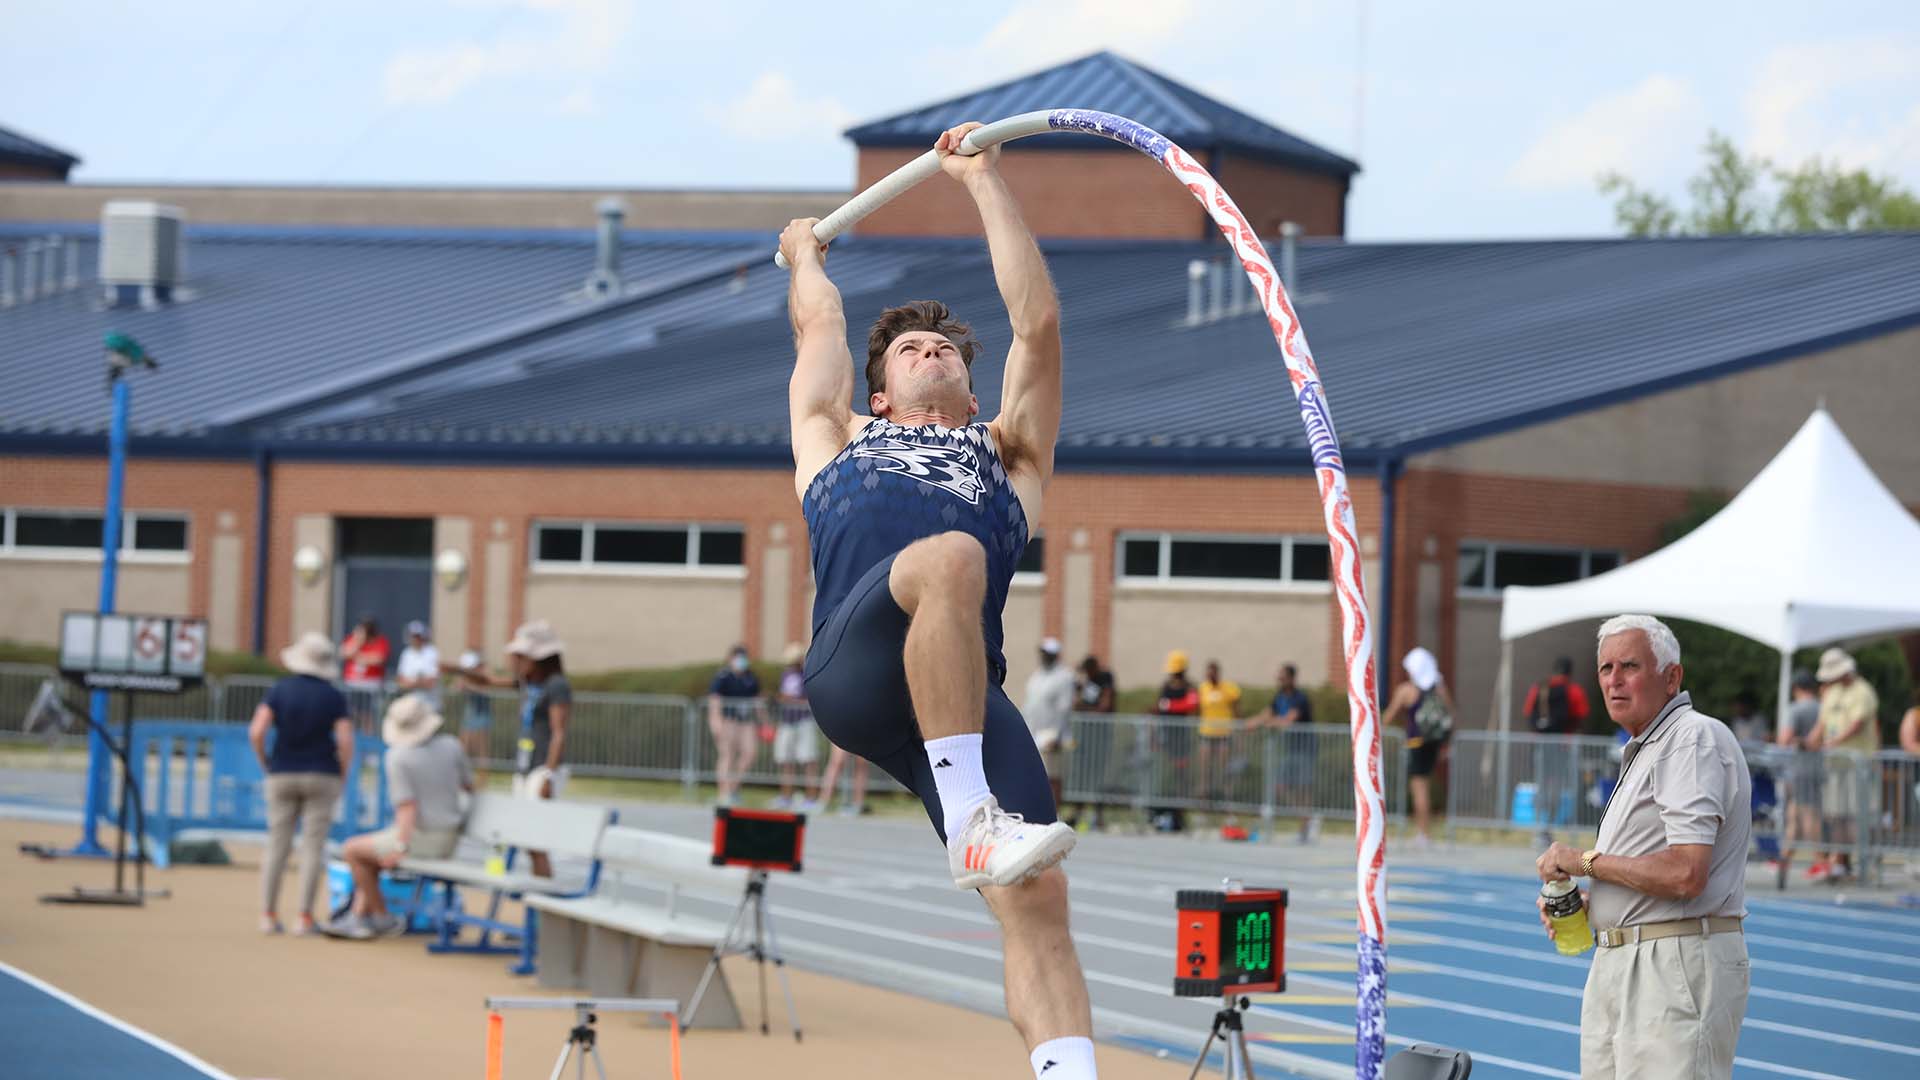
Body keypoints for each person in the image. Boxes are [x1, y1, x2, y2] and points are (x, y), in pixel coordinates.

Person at [781, 119, 1093, 1080]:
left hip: (961, 696)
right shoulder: (834, 437)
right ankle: (971, 820)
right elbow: (820, 327)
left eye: (943, 348)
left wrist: (983, 181)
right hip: (857, 664)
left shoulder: (1010, 456)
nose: (929, 351)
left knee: (1039, 902)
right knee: (949, 555)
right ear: (878, 396)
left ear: (970, 377)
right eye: (910, 349)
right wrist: (805, 255)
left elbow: (1037, 328)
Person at [1535, 614, 1750, 1080]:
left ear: (1671, 677)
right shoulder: (1650, 745)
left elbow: (1686, 872)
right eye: (1605, 669)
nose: (1614, 681)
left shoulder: (1690, 738)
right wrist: (1597, 906)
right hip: (1633, 958)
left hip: (1673, 961)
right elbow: (1660, 870)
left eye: (1629, 666)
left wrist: (1585, 862)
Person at [328, 694, 473, 939]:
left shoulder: (398, 757)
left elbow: (407, 808)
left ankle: (382, 917)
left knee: (352, 850)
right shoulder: (452, 745)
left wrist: (400, 846)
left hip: (418, 838)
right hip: (448, 838)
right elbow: (468, 786)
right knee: (368, 855)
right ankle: (359, 915)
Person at [248, 632, 354, 936]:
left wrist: (265, 763)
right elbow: (346, 741)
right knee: (312, 848)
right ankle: (304, 916)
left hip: (282, 770)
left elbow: (257, 731)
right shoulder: (333, 696)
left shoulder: (279, 690)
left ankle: (268, 914)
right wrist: (342, 774)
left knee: (276, 846)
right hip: (322, 773)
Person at [465, 620, 570, 878]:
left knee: (535, 840)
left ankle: (544, 892)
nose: (517, 661)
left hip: (543, 766)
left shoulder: (556, 685)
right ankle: (537, 889)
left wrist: (549, 774)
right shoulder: (528, 684)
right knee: (526, 838)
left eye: (522, 656)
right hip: (525, 765)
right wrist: (457, 669)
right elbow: (488, 681)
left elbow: (559, 732)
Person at [1809, 647, 1879, 882]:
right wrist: (1810, 742)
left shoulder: (1863, 691)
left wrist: (1833, 742)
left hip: (1857, 765)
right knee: (1836, 815)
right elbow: (1822, 723)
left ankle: (1863, 864)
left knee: (1857, 816)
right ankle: (1840, 863)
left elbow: (1858, 723)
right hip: (1836, 765)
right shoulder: (1832, 693)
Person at [1382, 646, 1451, 848]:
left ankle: (1423, 832)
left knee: (1419, 789)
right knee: (1424, 787)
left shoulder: (1407, 690)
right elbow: (1452, 714)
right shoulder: (1439, 688)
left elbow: (1389, 715)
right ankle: (1423, 831)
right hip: (1433, 743)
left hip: (1415, 743)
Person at [1523, 657, 1591, 845]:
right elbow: (1582, 715)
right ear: (1570, 672)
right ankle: (1547, 827)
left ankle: (1538, 828)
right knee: (1556, 787)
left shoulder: (1539, 688)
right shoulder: (1573, 691)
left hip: (1540, 745)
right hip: (1562, 745)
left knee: (1540, 784)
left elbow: (1528, 713)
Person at [1252, 663, 1317, 839]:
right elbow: (1267, 714)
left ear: (1291, 678)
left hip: (1304, 750)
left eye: (1283, 676)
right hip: (1290, 750)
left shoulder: (1299, 698)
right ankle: (1306, 817)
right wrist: (1252, 723)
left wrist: (1270, 722)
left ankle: (1305, 824)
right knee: (1280, 786)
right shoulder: (1279, 696)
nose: (1279, 679)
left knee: (1303, 788)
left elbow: (1289, 720)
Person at [1774, 669, 1824, 889]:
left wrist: (1792, 741)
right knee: (1795, 815)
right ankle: (1786, 857)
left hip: (1800, 769)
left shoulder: (1796, 709)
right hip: (1818, 768)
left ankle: (1819, 859)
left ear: (1796, 688)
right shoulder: (1823, 707)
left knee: (1807, 815)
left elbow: (1784, 739)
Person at [1022, 637, 1076, 810]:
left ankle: (1054, 814)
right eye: (1043, 653)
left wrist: (1058, 735)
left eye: (1048, 654)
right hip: (1033, 731)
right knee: (1034, 775)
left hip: (1051, 734)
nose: (1044, 657)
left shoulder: (1064, 677)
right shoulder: (1037, 676)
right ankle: (1037, 812)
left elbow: (1064, 708)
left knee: (1052, 777)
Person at [708, 644, 763, 807]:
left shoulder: (751, 677)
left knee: (750, 753)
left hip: (745, 721)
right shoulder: (723, 676)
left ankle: (733, 787)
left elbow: (757, 700)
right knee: (727, 755)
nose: (741, 661)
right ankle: (723, 792)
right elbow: (714, 700)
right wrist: (715, 721)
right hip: (729, 720)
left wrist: (765, 722)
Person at [1152, 650, 1201, 832]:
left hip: (1182, 740)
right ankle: (1163, 813)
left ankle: (1179, 814)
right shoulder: (1166, 686)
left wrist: (1172, 706)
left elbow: (1192, 704)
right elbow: (1159, 707)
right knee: (1165, 778)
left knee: (1181, 778)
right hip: (1166, 738)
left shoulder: (1189, 687)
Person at [770, 643, 820, 810]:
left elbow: (808, 699)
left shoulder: (808, 674)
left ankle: (811, 798)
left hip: (804, 721)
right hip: (787, 722)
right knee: (785, 761)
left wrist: (790, 700)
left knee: (809, 760)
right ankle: (786, 797)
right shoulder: (786, 675)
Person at [1070, 655, 1117, 830]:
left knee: (1098, 777)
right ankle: (1077, 812)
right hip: (1084, 736)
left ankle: (1098, 816)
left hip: (1100, 737)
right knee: (1081, 774)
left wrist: (1084, 708)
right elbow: (1075, 702)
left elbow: (1104, 707)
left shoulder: (1105, 679)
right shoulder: (1084, 682)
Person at [1195, 660, 1242, 807]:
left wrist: (1238, 730)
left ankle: (1227, 802)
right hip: (1206, 734)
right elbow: (1197, 710)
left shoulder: (1229, 689)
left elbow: (1236, 711)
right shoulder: (1202, 689)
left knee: (1225, 770)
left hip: (1223, 735)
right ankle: (1204, 804)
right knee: (1205, 770)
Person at [339, 615, 392, 728]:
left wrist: (357, 657)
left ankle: (368, 740)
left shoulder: (380, 641)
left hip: (370, 687)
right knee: (350, 714)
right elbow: (344, 653)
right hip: (351, 685)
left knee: (368, 716)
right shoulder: (354, 639)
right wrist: (358, 640)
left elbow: (378, 659)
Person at [453, 648, 495, 767]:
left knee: (481, 750)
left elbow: (486, 689)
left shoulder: (484, 675)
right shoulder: (467, 676)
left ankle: (483, 779)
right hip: (469, 715)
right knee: (463, 747)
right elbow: (456, 687)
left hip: (482, 716)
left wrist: (469, 687)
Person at [393, 620, 442, 710]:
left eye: (417, 636)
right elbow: (400, 679)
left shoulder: (432, 652)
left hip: (429, 704)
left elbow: (431, 682)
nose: (415, 639)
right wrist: (418, 682)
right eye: (413, 636)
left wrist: (412, 683)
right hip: (409, 704)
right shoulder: (406, 653)